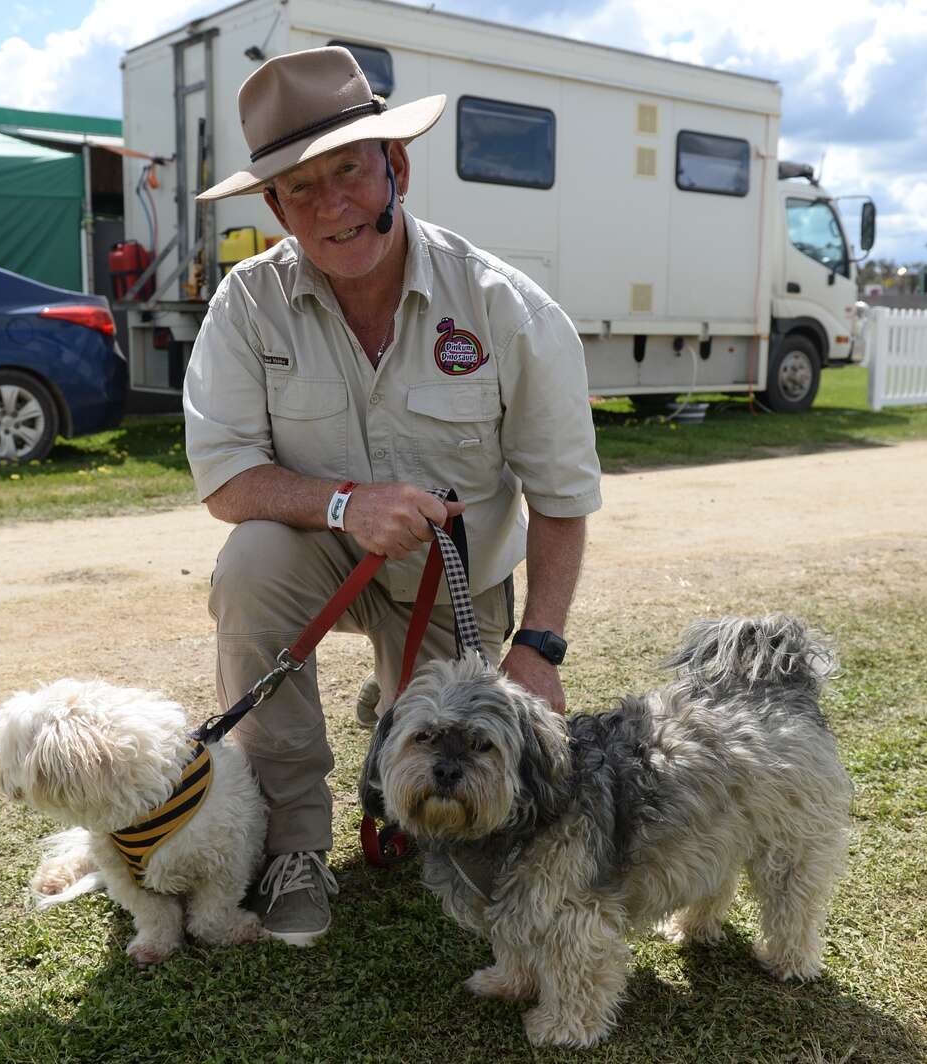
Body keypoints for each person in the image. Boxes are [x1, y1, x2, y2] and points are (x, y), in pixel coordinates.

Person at [181, 47, 602, 946]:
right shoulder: (246, 303)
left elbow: (562, 494)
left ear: (395, 167)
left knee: (451, 757)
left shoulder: (504, 308)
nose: (333, 205)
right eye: (301, 189)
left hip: (455, 576)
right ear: (275, 208)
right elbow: (224, 478)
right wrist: (343, 504)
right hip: (318, 553)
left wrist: (539, 647)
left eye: (349, 170)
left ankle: (396, 735)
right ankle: (293, 844)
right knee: (248, 562)